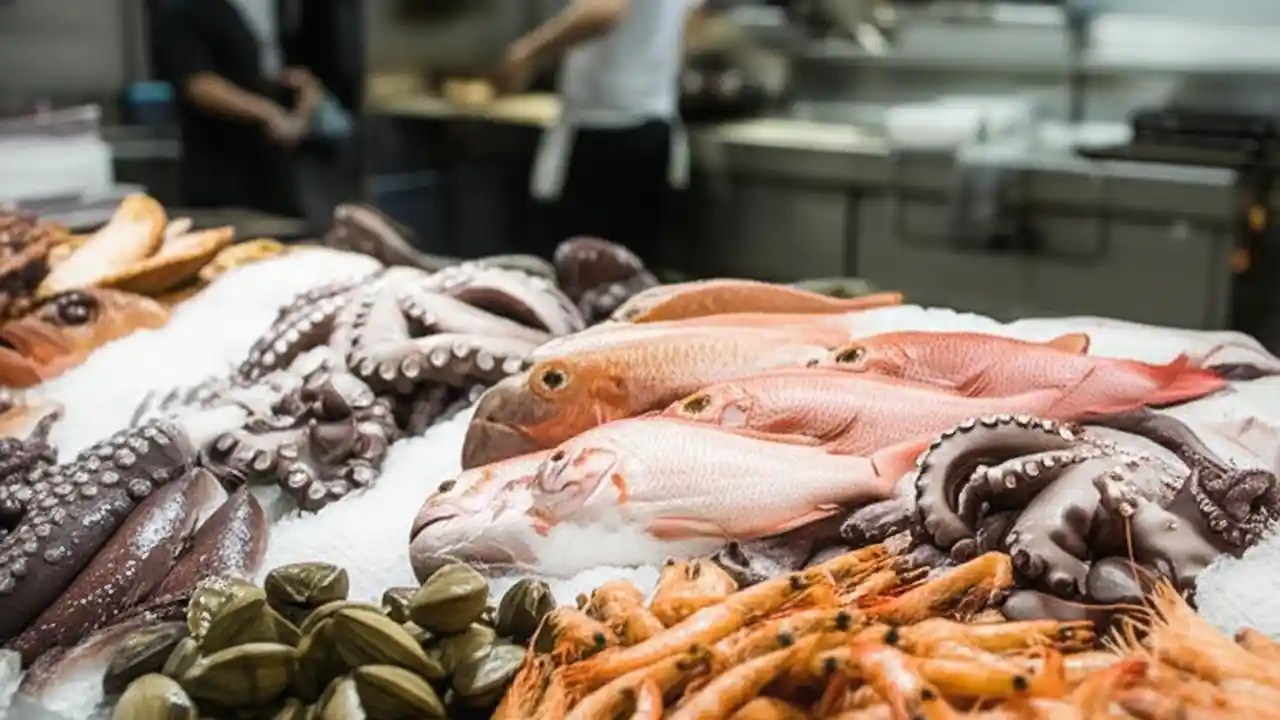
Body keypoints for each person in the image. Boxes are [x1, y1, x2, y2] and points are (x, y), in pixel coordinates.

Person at [494, 0, 707, 262]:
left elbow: (604, 11)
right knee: (630, 272)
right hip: (653, 123)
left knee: (580, 269)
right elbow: (694, 19)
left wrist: (526, 53)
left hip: (605, 133)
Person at [152, 0, 356, 227]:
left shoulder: (269, 10)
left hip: (275, 170)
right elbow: (198, 84)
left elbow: (279, 71)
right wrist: (268, 113)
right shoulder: (184, 10)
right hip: (221, 172)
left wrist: (302, 103)